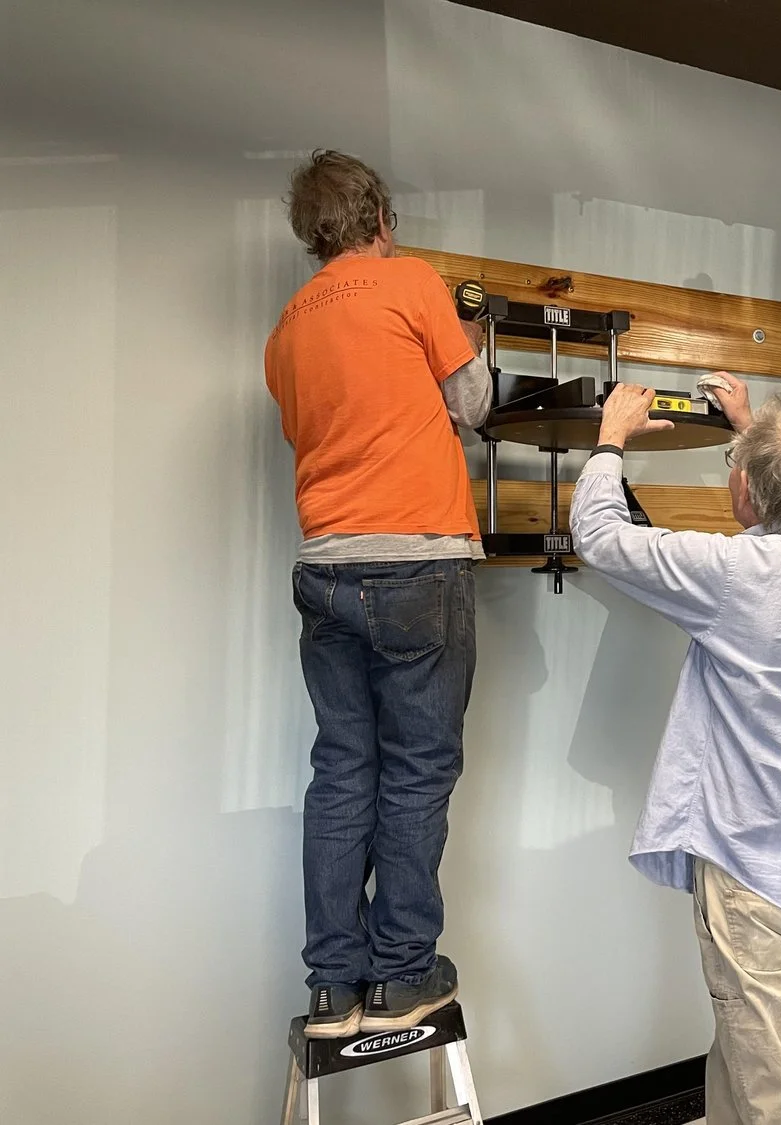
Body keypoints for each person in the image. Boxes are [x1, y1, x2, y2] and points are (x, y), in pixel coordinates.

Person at [570, 378, 781, 1125]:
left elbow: (600, 536)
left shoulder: (737, 576)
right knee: (753, 1058)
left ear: (745, 489)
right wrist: (753, 436)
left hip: (755, 884)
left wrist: (611, 438)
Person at [264, 150, 493, 1038]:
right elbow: (471, 403)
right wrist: (462, 347)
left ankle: (333, 985)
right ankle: (401, 972)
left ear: (312, 234)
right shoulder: (410, 282)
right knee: (418, 769)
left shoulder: (286, 329)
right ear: (380, 220)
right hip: (417, 561)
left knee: (342, 770)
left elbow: (316, 429)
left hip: (324, 567)